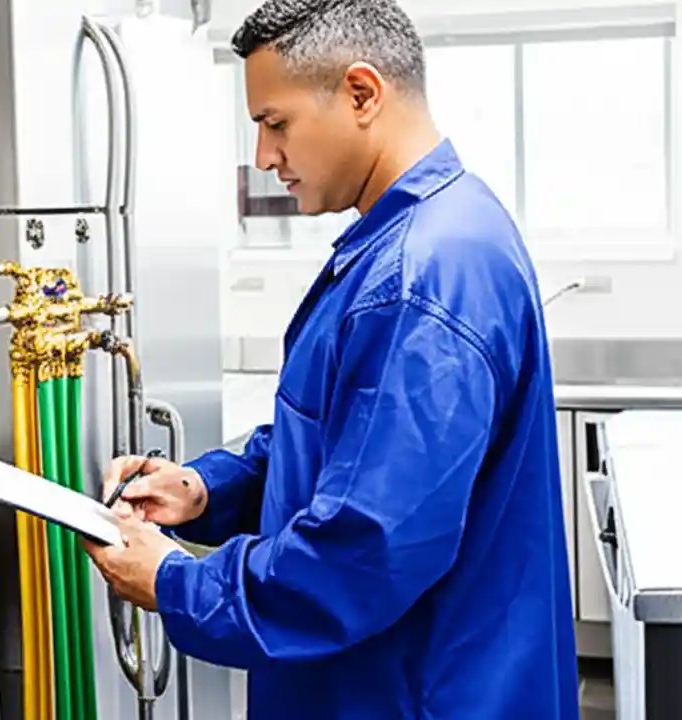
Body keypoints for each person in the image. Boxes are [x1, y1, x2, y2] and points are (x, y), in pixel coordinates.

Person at [82, 0, 579, 717]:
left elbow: (364, 549)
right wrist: (204, 489)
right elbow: (341, 446)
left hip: (416, 691)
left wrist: (174, 582)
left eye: (274, 122)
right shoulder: (417, 238)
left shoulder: (420, 277)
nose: (264, 157)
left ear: (362, 93)